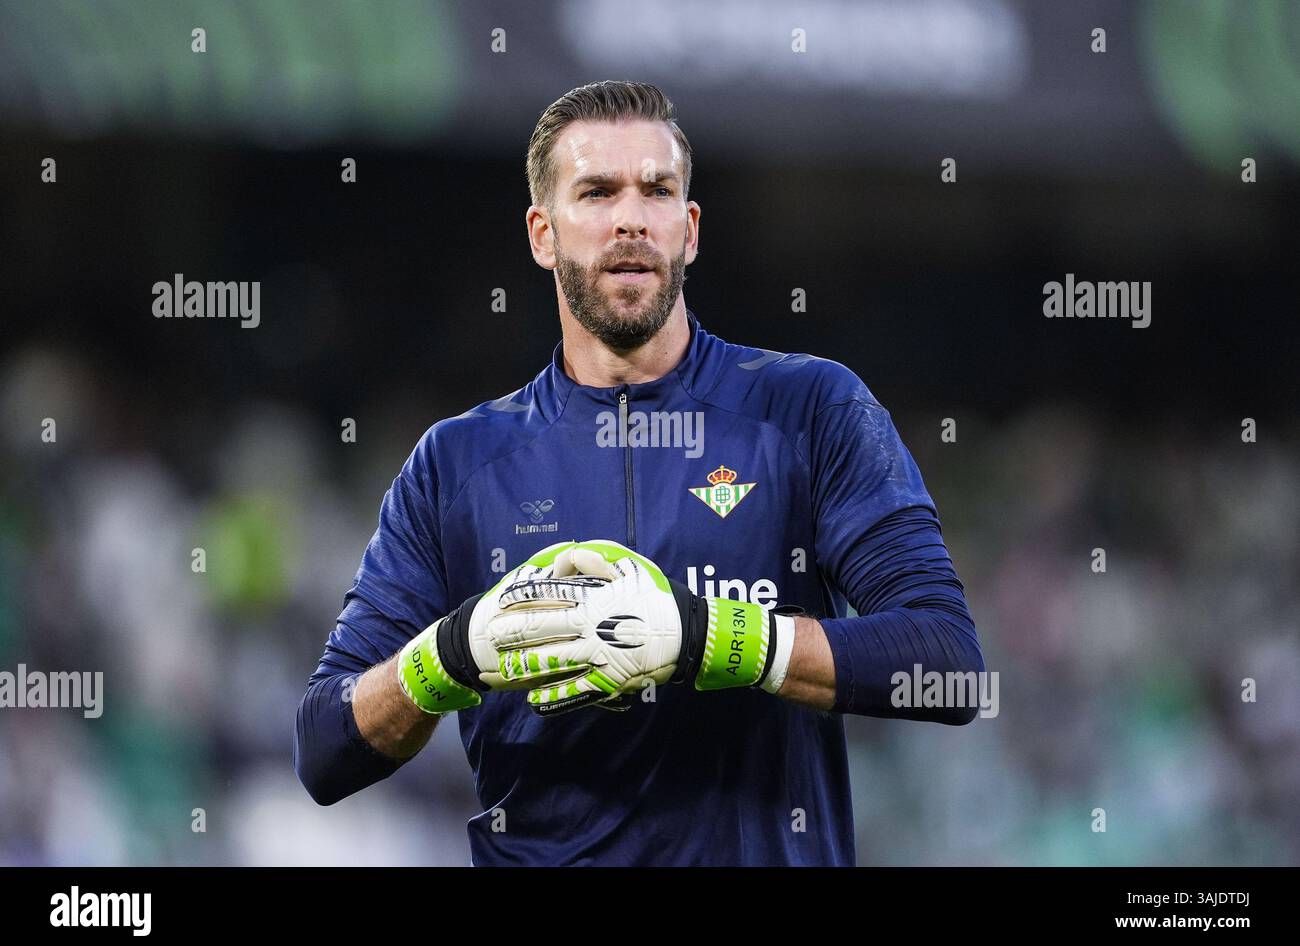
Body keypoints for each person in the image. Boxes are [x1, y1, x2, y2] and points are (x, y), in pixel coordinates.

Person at [294, 80, 984, 865]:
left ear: (688, 230)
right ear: (542, 234)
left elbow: (948, 664)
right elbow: (324, 748)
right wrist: (449, 656)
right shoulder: (457, 465)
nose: (630, 217)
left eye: (656, 191)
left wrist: (712, 639)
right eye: (595, 191)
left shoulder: (808, 409)